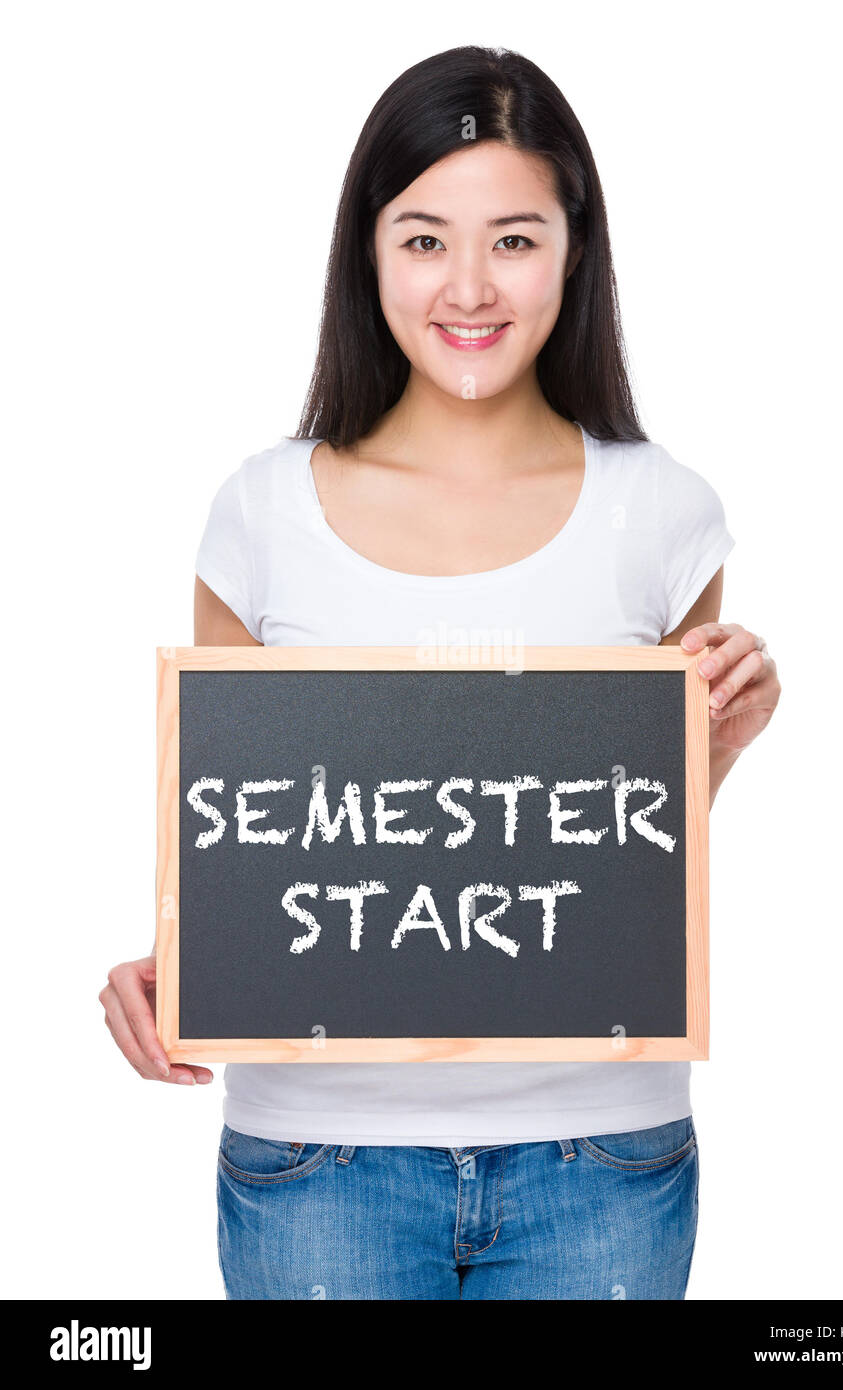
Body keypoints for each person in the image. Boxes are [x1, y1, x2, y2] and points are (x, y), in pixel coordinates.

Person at [100, 45, 781, 1300]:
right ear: (369, 252)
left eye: (514, 239)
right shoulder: (262, 512)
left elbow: (607, 855)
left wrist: (719, 743)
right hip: (318, 1159)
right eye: (424, 239)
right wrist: (164, 971)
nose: (469, 285)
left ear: (575, 250)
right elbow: (258, 841)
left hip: (601, 1155)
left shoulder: (664, 512)